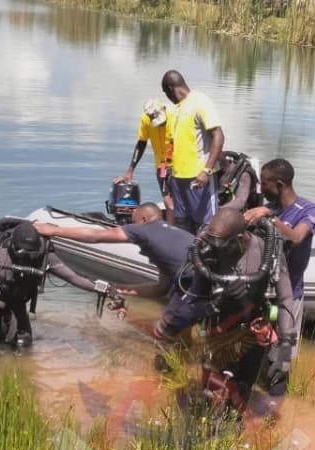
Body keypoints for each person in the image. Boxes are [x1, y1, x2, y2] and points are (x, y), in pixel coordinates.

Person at [153, 207, 298, 412]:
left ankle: (236, 425)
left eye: (222, 244)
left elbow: (286, 299)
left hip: (251, 333)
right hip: (217, 330)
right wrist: (173, 321)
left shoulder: (268, 252)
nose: (215, 249)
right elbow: (193, 299)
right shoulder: (208, 253)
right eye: (212, 243)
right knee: (209, 394)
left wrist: (285, 350)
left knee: (241, 393)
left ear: (239, 239)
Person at [0, 219, 124, 351]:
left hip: (18, 304)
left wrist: (107, 289)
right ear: (12, 247)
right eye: (22, 255)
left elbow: (73, 277)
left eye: (32, 254)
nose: (27, 259)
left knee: (23, 348)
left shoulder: (43, 256)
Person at [33, 203, 194, 299]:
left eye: (133, 222)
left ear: (143, 220)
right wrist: (117, 289)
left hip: (194, 277)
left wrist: (53, 231)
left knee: (164, 330)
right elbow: (160, 289)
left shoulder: (143, 230)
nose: (130, 225)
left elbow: (95, 236)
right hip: (204, 274)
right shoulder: (176, 236)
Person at [243, 158, 315, 331]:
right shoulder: (270, 207)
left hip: (291, 291)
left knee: (284, 349)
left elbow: (297, 238)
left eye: (264, 184)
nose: (261, 189)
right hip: (265, 292)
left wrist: (270, 217)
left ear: (279, 185)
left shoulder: (308, 209)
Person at [161, 70, 225, 234]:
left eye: (166, 93)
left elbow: (218, 135)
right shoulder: (177, 109)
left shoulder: (200, 102)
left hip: (198, 178)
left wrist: (207, 170)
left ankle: (204, 259)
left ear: (170, 88)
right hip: (178, 178)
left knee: (205, 225)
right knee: (182, 224)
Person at [116, 98, 175, 217]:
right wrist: (130, 170)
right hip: (162, 166)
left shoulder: (175, 115)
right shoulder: (146, 120)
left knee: (181, 200)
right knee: (167, 199)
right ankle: (170, 228)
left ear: (163, 109)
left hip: (179, 166)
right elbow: (141, 143)